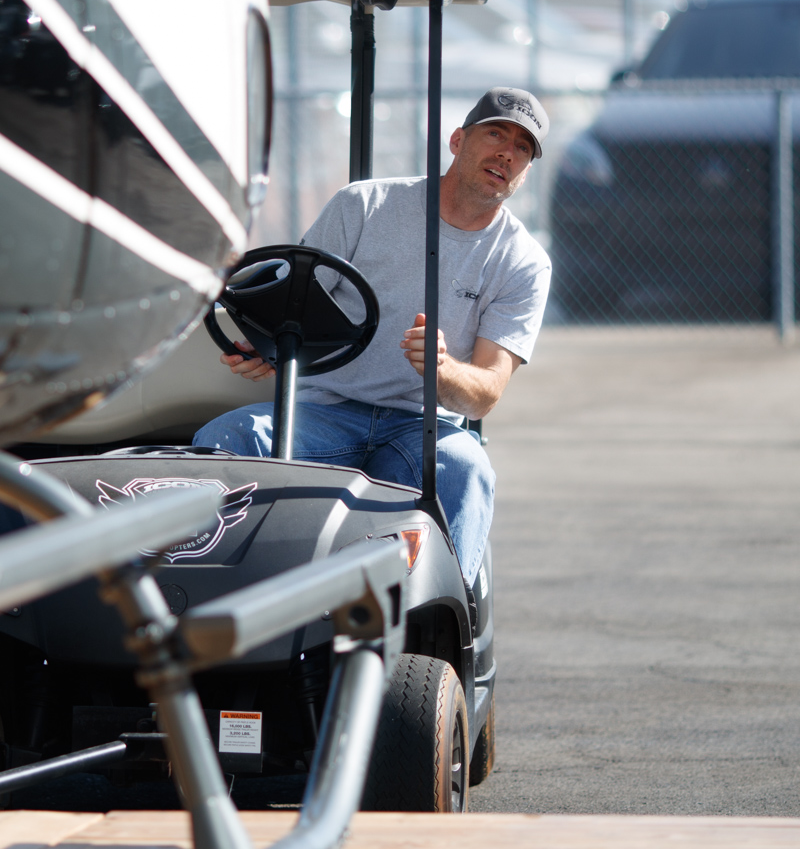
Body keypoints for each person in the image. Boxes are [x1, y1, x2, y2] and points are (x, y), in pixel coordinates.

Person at [194, 88, 552, 584]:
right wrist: (272, 344)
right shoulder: (363, 205)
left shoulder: (524, 262)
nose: (507, 153)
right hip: (324, 411)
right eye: (496, 133)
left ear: (526, 170)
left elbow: (486, 393)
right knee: (224, 439)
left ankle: (435, 635)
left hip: (420, 428)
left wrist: (444, 370)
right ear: (457, 140)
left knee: (466, 468)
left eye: (523, 148)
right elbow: (295, 305)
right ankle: (217, 608)